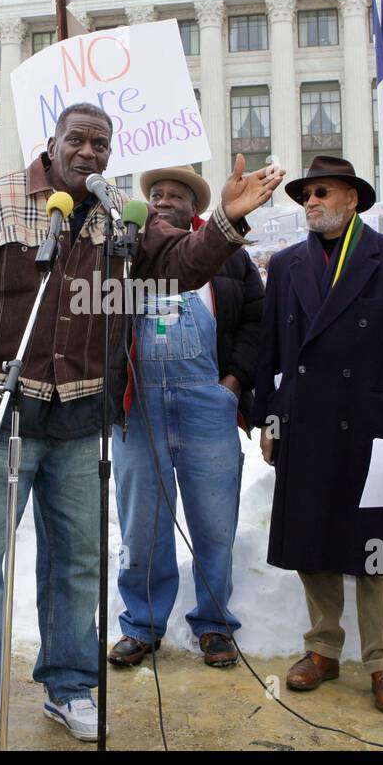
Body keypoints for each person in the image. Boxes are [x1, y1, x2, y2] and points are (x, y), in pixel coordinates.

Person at [0, 103, 282, 749]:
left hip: (82, 416)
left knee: (79, 560)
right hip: (2, 411)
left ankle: (68, 685)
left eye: (101, 143)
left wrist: (227, 218)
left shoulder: (119, 216)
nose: (89, 152)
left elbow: (178, 267)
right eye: (77, 140)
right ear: (50, 144)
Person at [253, 156, 383, 716]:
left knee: (375, 551)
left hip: (375, 426)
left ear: (352, 199)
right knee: (314, 541)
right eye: (305, 194)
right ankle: (323, 649)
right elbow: (273, 352)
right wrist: (269, 417)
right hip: (306, 423)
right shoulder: (284, 266)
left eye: (323, 192)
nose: (311, 202)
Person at [108, 165, 263, 670]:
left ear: (194, 208)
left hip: (207, 403)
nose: (162, 201)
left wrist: (233, 382)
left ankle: (215, 624)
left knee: (214, 522)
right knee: (142, 525)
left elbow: (258, 318)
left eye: (176, 195)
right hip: (139, 404)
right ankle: (143, 624)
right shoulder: (122, 253)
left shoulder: (226, 256)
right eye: (155, 194)